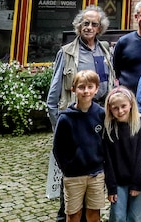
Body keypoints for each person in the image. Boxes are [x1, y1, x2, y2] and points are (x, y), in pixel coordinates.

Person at [47, 6, 114, 222]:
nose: (89, 27)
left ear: (100, 28)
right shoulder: (66, 52)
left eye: (94, 24)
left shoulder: (104, 50)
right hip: (75, 117)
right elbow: (53, 96)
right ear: (78, 26)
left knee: (94, 180)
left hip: (97, 116)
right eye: (85, 23)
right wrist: (63, 126)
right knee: (71, 188)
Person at [53, 70, 108, 222]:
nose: (86, 91)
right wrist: (68, 168)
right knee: (73, 215)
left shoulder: (101, 114)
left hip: (96, 174)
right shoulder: (65, 118)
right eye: (81, 87)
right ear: (74, 89)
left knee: (93, 215)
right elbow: (58, 149)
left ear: (96, 89)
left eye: (90, 87)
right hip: (74, 176)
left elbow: (105, 142)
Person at [103, 87, 141, 222]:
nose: (120, 111)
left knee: (136, 216)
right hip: (118, 181)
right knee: (118, 216)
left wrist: (136, 184)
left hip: (138, 179)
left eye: (123, 106)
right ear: (110, 108)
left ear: (131, 104)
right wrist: (111, 187)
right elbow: (107, 160)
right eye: (115, 108)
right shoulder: (109, 128)